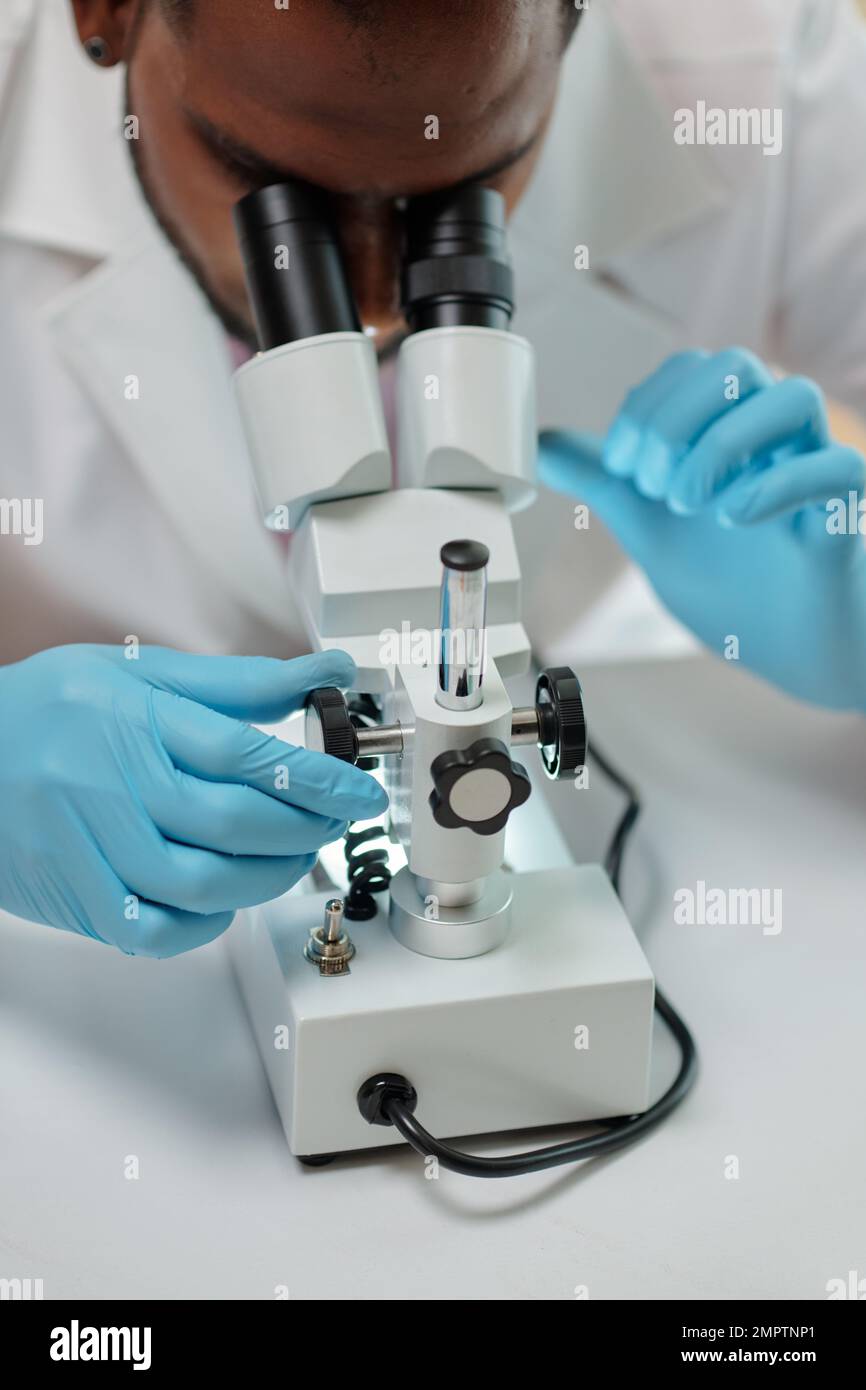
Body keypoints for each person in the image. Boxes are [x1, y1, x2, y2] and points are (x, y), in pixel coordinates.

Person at [1, 0, 864, 956]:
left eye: (466, 189)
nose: (374, 303)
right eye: (261, 178)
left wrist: (853, 626)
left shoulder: (775, 74)